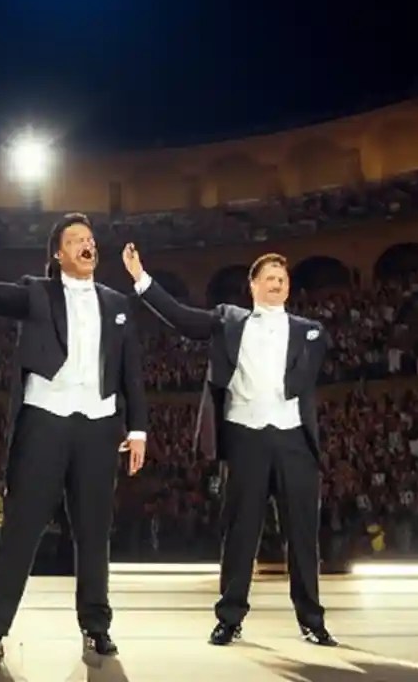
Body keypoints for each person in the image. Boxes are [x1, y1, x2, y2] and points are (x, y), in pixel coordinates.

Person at [0, 213, 148, 671]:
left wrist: (137, 428)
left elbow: (130, 370)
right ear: (58, 254)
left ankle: (96, 627)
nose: (87, 244)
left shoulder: (117, 303)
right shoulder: (38, 292)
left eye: (91, 239)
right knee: (20, 531)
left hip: (99, 427)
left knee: (94, 532)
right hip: (45, 423)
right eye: (76, 239)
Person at [122, 243, 337, 647]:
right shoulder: (228, 319)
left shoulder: (311, 330)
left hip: (293, 439)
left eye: (282, 279)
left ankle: (312, 620)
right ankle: (230, 617)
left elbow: (303, 376)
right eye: (269, 278)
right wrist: (141, 280)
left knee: (303, 534)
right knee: (240, 531)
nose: (276, 284)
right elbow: (183, 320)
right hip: (245, 437)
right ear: (252, 285)